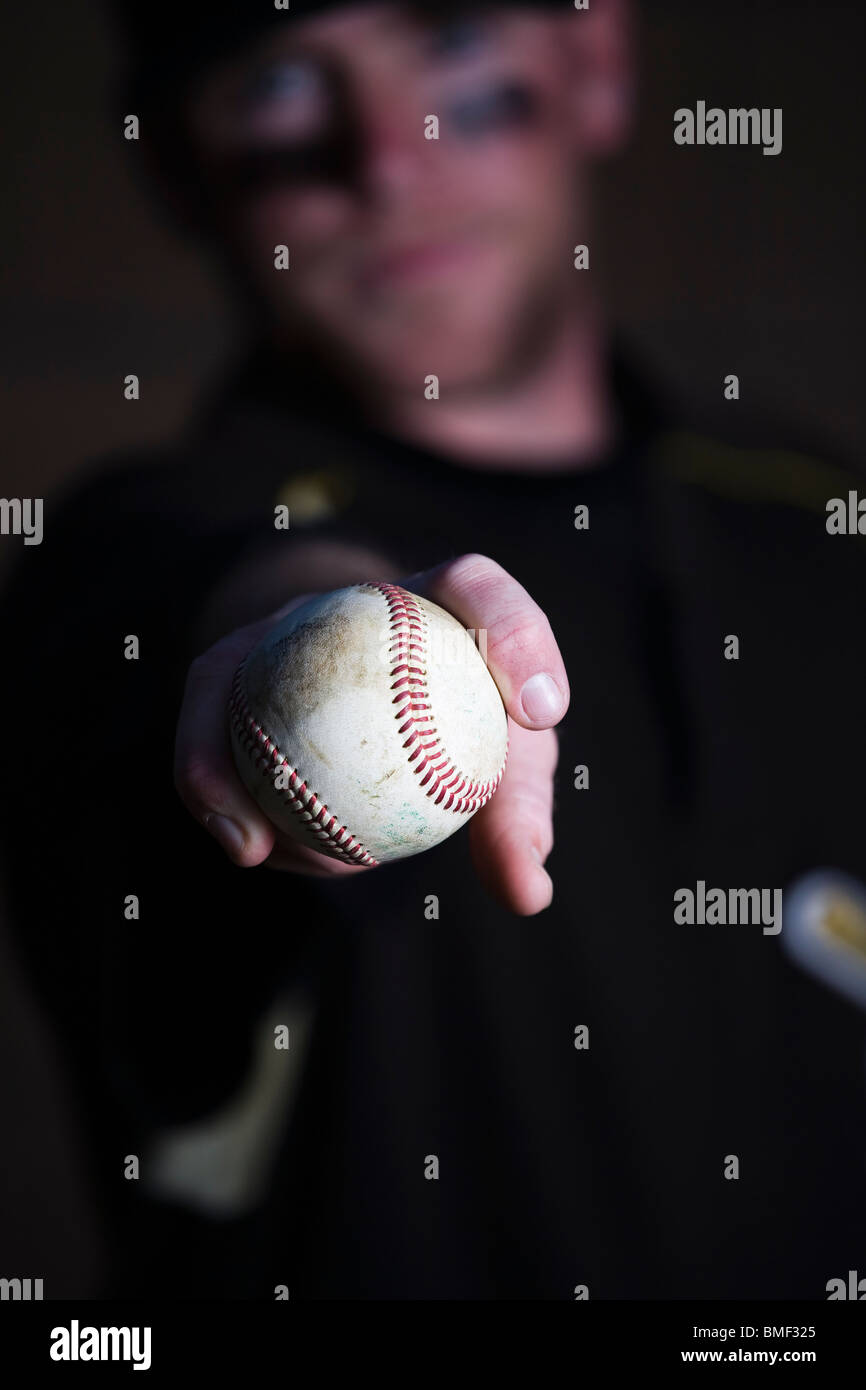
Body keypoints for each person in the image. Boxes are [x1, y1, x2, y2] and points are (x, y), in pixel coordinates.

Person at [1, 0, 865, 1300]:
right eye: (285, 81)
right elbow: (184, 588)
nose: (386, 161)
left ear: (595, 63)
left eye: (451, 42)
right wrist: (297, 625)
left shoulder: (813, 519)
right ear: (176, 166)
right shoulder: (122, 557)